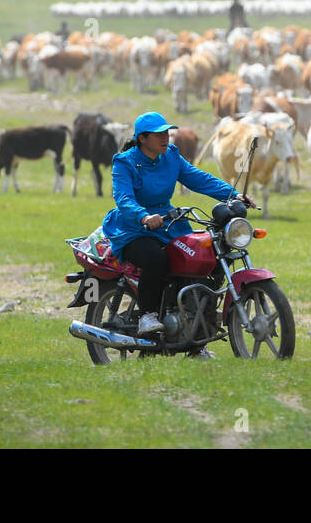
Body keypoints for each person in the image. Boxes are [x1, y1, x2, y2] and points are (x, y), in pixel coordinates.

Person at [101, 111, 257, 353]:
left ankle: (197, 336)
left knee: (207, 258)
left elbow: (198, 178)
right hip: (133, 227)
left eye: (166, 133)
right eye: (159, 134)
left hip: (168, 223)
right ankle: (147, 316)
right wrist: (143, 216)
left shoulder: (171, 155)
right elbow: (123, 198)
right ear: (142, 138)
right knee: (156, 259)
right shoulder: (125, 162)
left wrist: (233, 194)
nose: (166, 138)